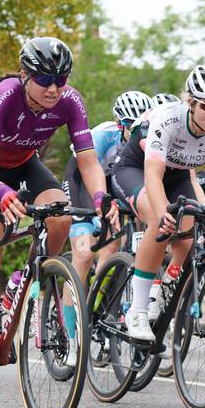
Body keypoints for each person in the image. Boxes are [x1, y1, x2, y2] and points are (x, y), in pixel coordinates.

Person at [0, 36, 112, 390]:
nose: (54, 89)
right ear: (24, 75)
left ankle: (29, 276)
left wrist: (101, 196)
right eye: (44, 80)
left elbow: (88, 160)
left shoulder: (71, 102)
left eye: (61, 79)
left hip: (25, 164)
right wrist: (1, 191)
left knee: (61, 216)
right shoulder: (5, 95)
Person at [110, 64, 205, 342]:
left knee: (193, 230)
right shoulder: (168, 120)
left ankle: (166, 286)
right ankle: (138, 310)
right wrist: (162, 212)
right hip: (135, 170)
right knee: (160, 221)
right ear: (191, 102)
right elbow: (153, 176)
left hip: (177, 175)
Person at [65, 89, 154, 290]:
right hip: (82, 183)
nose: (137, 130)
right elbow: (88, 169)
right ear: (119, 123)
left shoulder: (149, 142)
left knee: (113, 246)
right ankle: (72, 320)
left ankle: (96, 303)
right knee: (84, 255)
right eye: (131, 125)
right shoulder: (103, 136)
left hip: (113, 183)